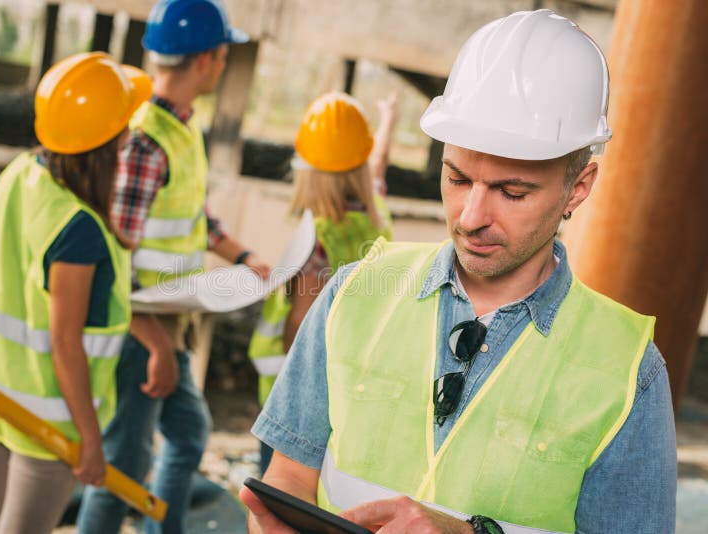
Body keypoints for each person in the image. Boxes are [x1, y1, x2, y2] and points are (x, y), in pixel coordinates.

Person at [240, 9, 677, 534]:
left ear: (577, 188)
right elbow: (288, 477)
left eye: (511, 192)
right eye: (457, 178)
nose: (470, 218)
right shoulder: (352, 294)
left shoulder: (629, 372)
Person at [77, 1, 270, 533]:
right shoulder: (145, 141)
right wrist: (157, 347)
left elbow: (192, 218)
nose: (224, 64)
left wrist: (244, 257)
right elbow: (112, 260)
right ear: (206, 59)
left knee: (186, 435)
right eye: (224, 54)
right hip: (140, 333)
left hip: (168, 324)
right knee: (122, 467)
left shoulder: (180, 130)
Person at [0, 52, 151, 534]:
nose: (130, 136)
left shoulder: (20, 173)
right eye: (125, 125)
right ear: (108, 142)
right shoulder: (77, 227)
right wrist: (90, 440)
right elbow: (65, 341)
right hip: (48, 418)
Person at [248, 91, 397, 475]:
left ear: (308, 170)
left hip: (297, 393)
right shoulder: (375, 216)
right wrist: (388, 120)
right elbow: (376, 169)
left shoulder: (318, 238)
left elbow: (301, 322)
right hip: (349, 381)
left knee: (280, 490)